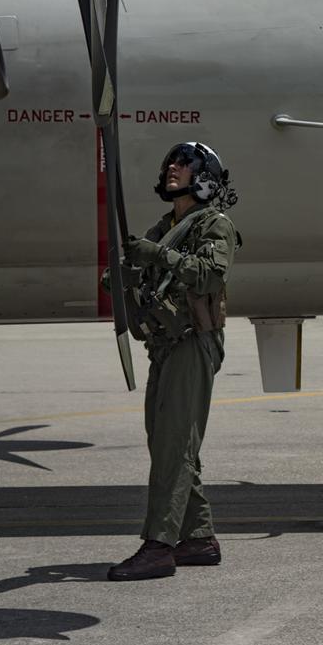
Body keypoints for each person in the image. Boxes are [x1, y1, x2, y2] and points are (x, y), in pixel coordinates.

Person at [108, 142, 240, 580]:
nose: (172, 168)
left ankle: (159, 546)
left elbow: (209, 275)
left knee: (173, 445)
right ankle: (198, 539)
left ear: (204, 177)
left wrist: (154, 255)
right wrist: (123, 272)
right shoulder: (166, 226)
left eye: (183, 164)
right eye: (170, 162)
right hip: (165, 345)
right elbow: (148, 272)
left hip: (192, 342)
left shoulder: (214, 225)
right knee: (165, 442)